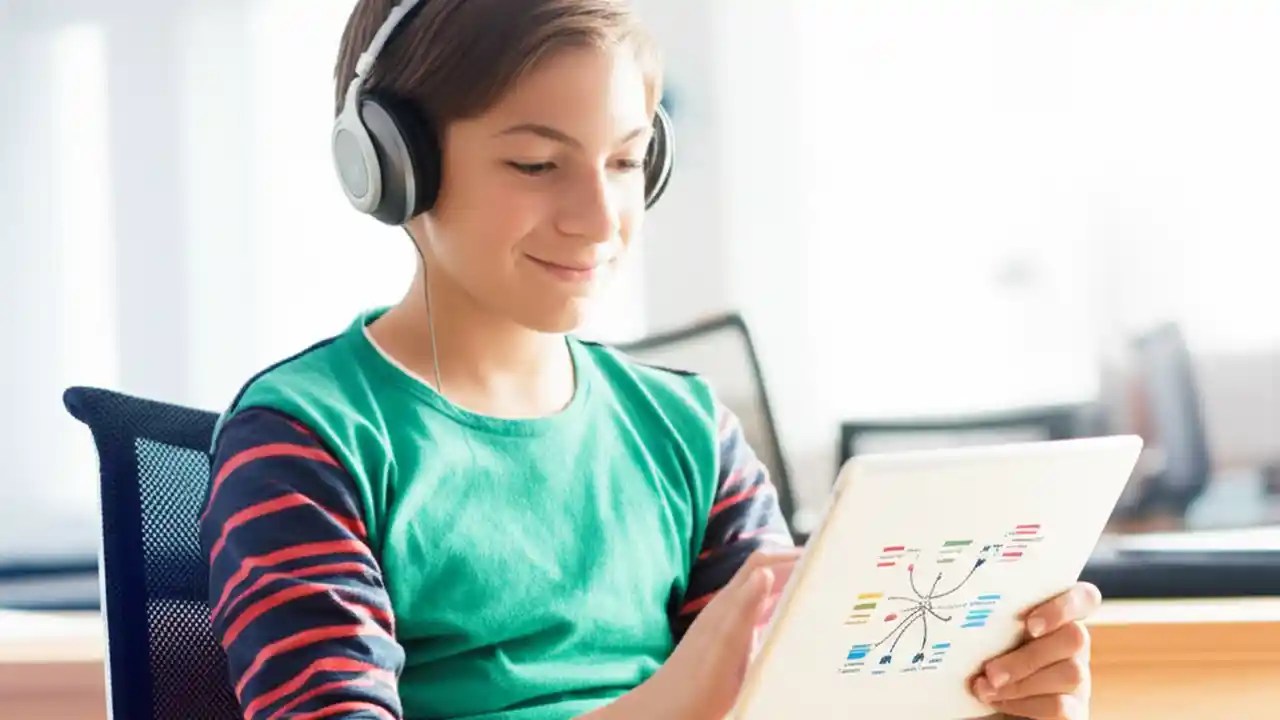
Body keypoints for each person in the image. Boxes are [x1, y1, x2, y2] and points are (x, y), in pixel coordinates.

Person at [198, 1, 1101, 718]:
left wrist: (988, 705)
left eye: (626, 163)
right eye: (535, 165)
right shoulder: (305, 441)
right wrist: (668, 708)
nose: (599, 218)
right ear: (395, 166)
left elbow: (781, 700)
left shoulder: (687, 431)